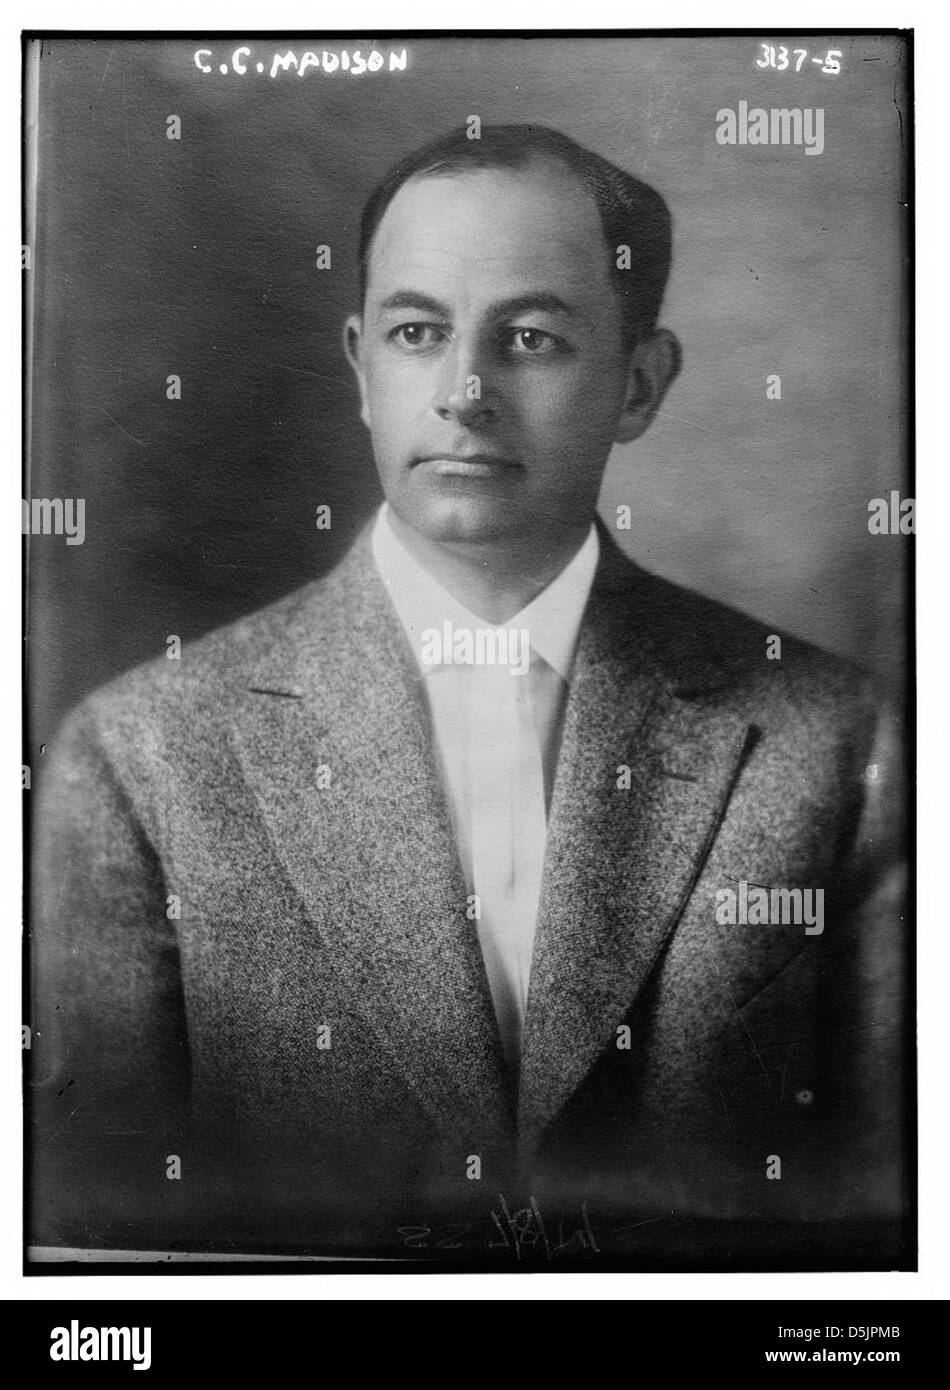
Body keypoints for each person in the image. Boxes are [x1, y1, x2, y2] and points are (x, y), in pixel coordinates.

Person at [31, 125, 907, 1261]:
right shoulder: (136, 754)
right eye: (415, 332)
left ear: (637, 384)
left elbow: (891, 1230)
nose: (463, 394)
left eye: (531, 338)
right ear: (358, 366)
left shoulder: (834, 738)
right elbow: (104, 1243)